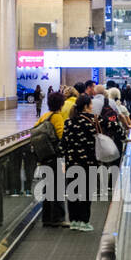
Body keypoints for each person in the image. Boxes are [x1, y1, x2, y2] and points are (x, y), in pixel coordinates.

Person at [60, 94, 99, 231]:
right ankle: (84, 221)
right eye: (90, 104)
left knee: (73, 192)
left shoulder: (68, 122)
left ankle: (74, 221)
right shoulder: (90, 123)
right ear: (86, 106)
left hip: (71, 162)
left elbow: (63, 144)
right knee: (86, 192)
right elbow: (95, 143)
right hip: (87, 163)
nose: (92, 106)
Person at [33, 90, 68, 227]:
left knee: (47, 187)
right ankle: (58, 217)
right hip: (55, 156)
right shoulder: (57, 117)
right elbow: (61, 136)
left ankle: (46, 217)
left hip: (43, 155)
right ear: (61, 104)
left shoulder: (45, 116)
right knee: (58, 187)